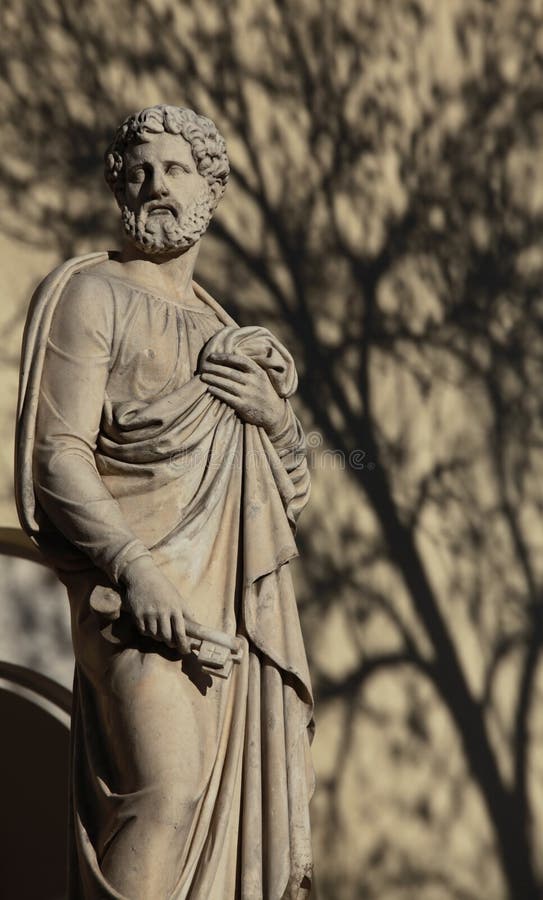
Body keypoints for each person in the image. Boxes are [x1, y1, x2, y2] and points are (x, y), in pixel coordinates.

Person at [15, 105, 314, 899]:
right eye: (139, 168)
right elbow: (60, 458)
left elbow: (289, 490)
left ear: (209, 189)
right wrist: (136, 570)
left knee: (221, 830)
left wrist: (276, 418)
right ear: (119, 183)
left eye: (175, 168)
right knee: (166, 791)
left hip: (226, 608)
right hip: (130, 591)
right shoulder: (94, 295)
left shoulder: (224, 329)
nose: (155, 184)